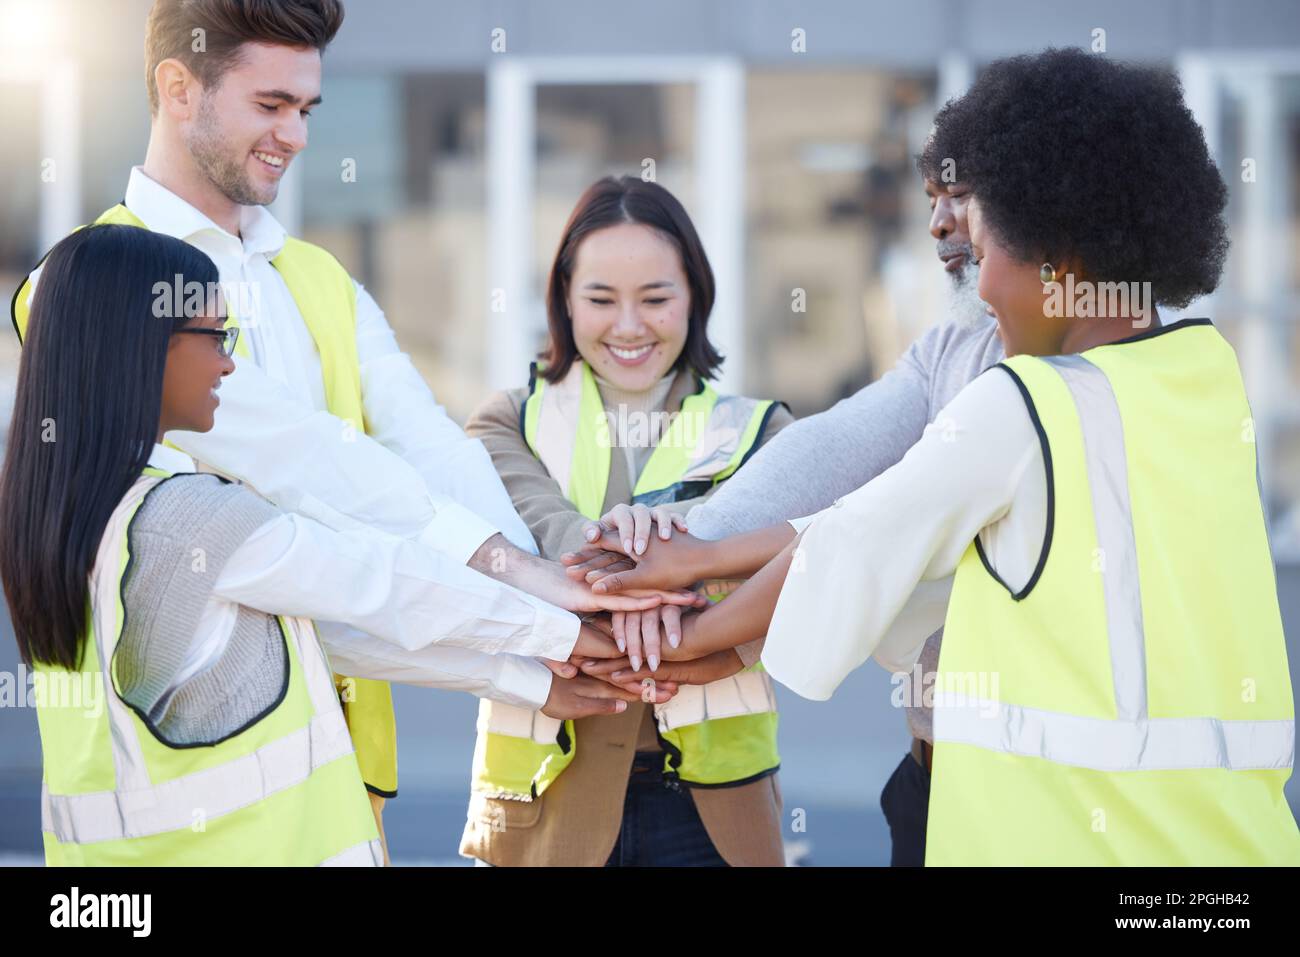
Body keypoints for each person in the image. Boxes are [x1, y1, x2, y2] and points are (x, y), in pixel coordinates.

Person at [567, 48, 1300, 865]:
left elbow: (861, 540)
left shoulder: (1023, 398)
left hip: (1058, 824)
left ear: (1060, 238)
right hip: (1231, 846)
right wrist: (681, 546)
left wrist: (689, 637)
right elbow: (839, 472)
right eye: (933, 201)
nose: (960, 255)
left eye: (977, 225)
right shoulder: (1206, 376)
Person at [9, 0, 693, 861]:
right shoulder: (81, 291)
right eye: (270, 105)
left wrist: (552, 592)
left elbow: (432, 451)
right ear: (178, 89)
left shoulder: (318, 279)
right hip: (162, 827)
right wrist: (532, 605)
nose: (294, 135)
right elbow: (308, 476)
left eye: (307, 108)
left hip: (328, 779)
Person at [459, 177, 795, 867]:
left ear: (695, 295)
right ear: (562, 299)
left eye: (656, 298)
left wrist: (658, 535)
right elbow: (521, 553)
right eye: (602, 299)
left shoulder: (764, 432)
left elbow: (792, 578)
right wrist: (673, 564)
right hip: (545, 802)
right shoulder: (502, 424)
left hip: (714, 813)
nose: (630, 325)